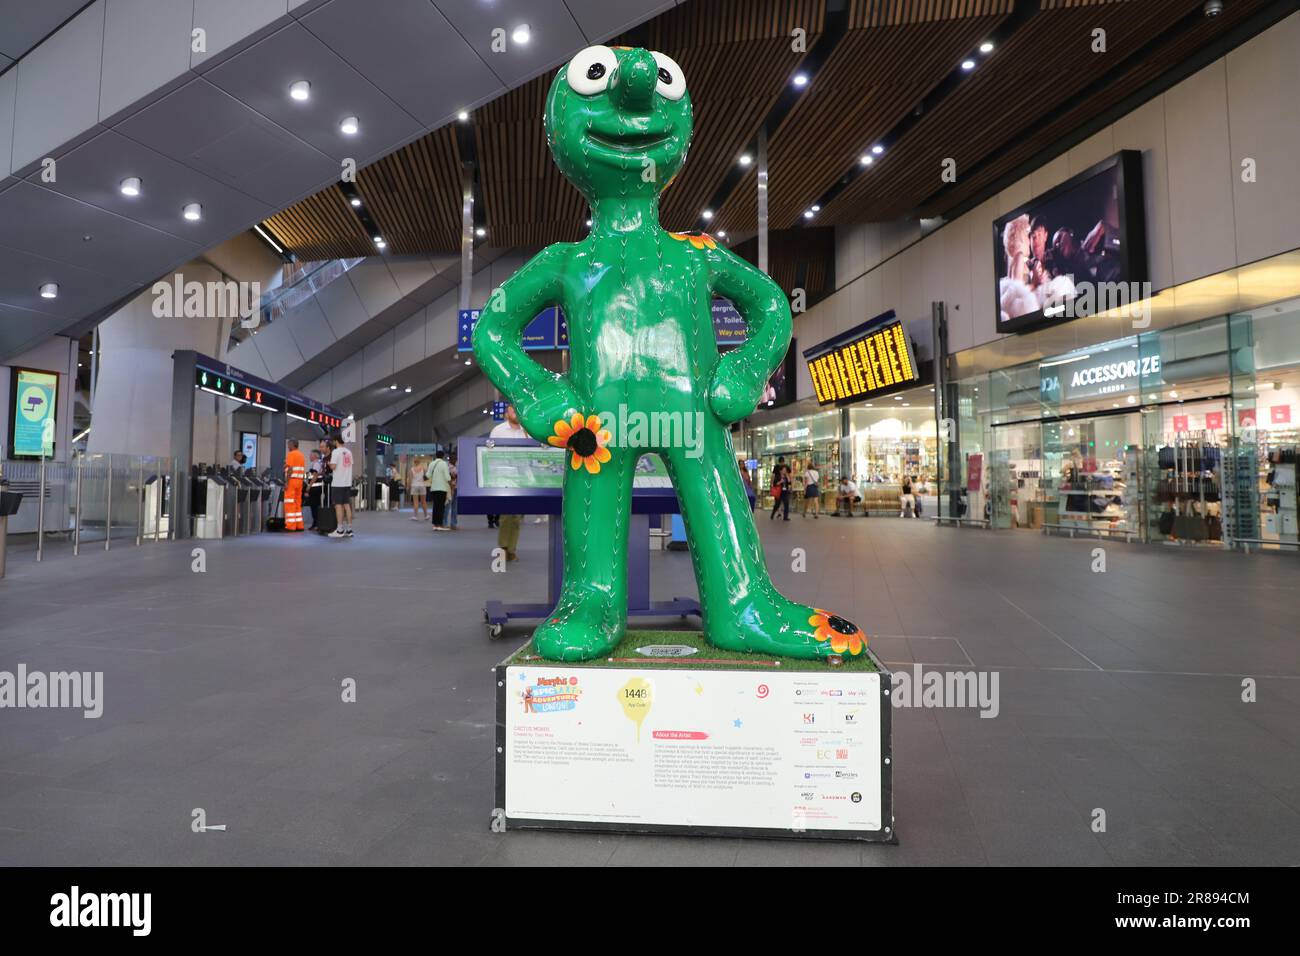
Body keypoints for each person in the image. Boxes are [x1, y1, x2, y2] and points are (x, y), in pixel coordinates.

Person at [490, 406, 527, 559]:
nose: (516, 414)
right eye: (513, 411)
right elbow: (489, 453)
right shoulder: (498, 430)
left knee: (518, 517)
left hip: (523, 478)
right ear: (507, 414)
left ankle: (512, 549)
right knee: (506, 515)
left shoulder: (527, 431)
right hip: (504, 476)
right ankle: (504, 547)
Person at [327, 438, 355, 538]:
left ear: (336, 441)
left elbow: (334, 467)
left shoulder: (335, 452)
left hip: (338, 483)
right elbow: (349, 465)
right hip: (347, 483)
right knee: (347, 506)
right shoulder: (349, 452)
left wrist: (329, 464)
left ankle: (339, 530)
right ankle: (349, 529)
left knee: (338, 506)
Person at [283, 439, 306, 532]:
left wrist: (286, 482)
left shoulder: (291, 454)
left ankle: (291, 526)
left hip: (292, 481)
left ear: (292, 445)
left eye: (289, 445)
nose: (288, 447)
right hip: (299, 481)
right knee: (297, 503)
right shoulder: (301, 455)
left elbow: (290, 469)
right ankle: (299, 525)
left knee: (289, 503)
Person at [426, 450, 451, 530]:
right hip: (442, 488)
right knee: (441, 507)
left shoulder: (432, 463)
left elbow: (428, 475)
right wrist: (450, 478)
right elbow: (447, 477)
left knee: (435, 506)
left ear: (436, 456)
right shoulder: (444, 464)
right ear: (443, 456)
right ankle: (439, 525)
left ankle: (435, 525)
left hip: (434, 488)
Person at [769, 456, 790, 521]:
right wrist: (773, 484)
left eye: (785, 470)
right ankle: (773, 513)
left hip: (785, 491)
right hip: (779, 491)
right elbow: (774, 480)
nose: (785, 471)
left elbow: (789, 482)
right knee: (777, 504)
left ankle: (785, 517)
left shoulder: (786, 473)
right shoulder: (777, 476)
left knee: (786, 504)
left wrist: (787, 476)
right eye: (784, 470)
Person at [306, 449, 323, 529]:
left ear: (315, 456)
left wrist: (309, 486)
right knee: (314, 506)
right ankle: (315, 522)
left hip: (315, 488)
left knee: (314, 506)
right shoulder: (314, 464)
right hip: (315, 488)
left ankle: (316, 523)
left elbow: (315, 476)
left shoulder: (316, 464)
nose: (309, 456)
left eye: (311, 454)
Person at [408, 456, 428, 520]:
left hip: (414, 485)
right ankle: (426, 515)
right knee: (423, 501)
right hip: (422, 485)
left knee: (415, 502)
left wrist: (408, 487)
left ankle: (415, 516)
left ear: (414, 462)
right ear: (420, 462)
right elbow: (426, 476)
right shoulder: (423, 468)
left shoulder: (411, 469)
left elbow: (410, 479)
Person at [446, 452, 459, 530]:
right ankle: (444, 523)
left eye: (455, 459)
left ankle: (453, 524)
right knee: (447, 506)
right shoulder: (447, 467)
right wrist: (452, 476)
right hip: (449, 488)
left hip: (456, 488)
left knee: (455, 507)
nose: (454, 460)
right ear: (450, 459)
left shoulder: (457, 466)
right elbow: (448, 477)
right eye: (453, 459)